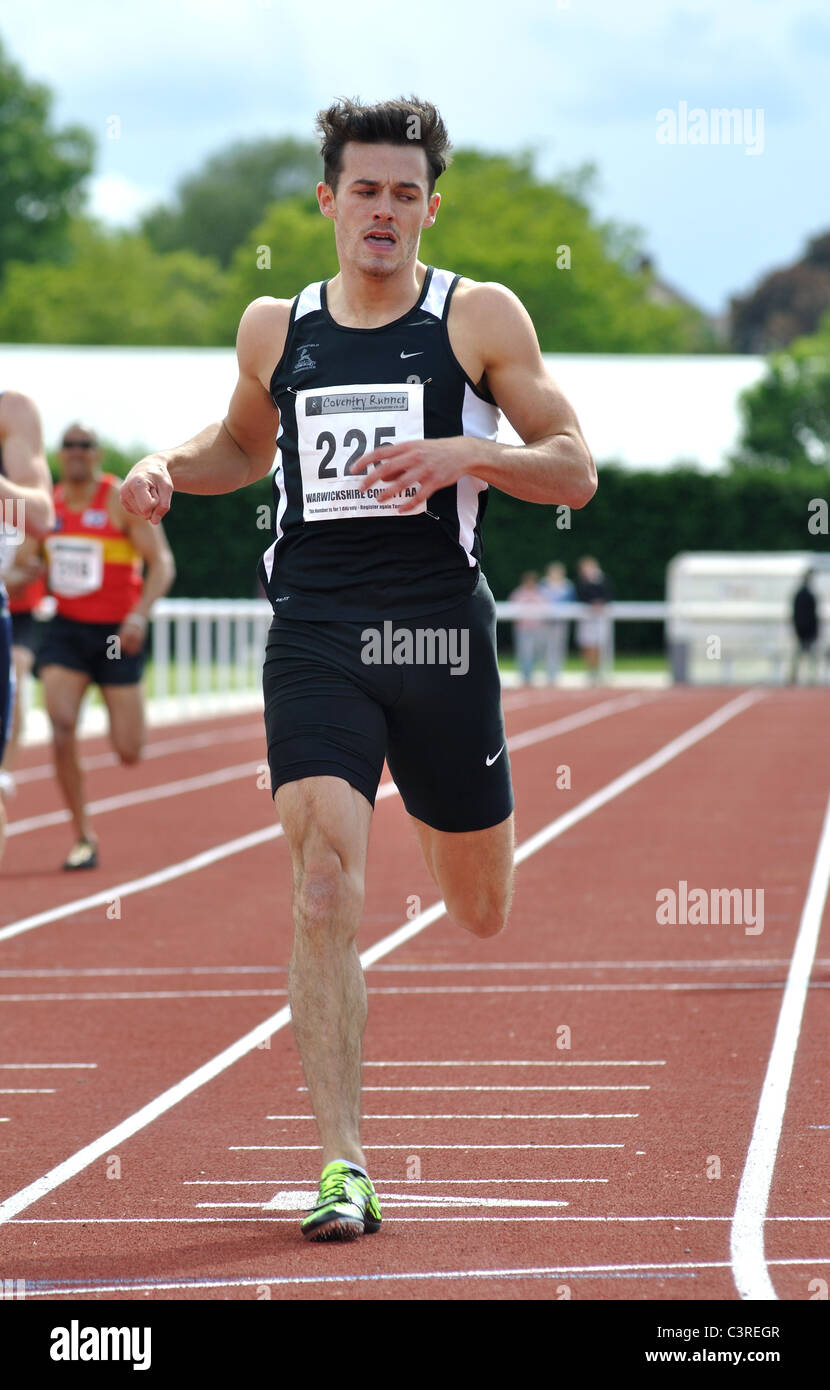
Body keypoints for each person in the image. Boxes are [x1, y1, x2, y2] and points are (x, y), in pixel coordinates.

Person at [120, 96, 596, 1241]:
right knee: (322, 883)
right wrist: (161, 466)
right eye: (363, 190)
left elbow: (573, 469)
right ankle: (345, 1166)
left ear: (431, 206)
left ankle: (443, 803)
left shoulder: (475, 316)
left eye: (404, 193)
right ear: (326, 201)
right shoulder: (274, 327)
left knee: (478, 906)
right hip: (318, 631)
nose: (383, 212)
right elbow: (240, 444)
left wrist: (465, 452)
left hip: (438, 636)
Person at [36, 423, 176, 869]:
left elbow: (162, 564)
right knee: (60, 728)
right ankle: (83, 835)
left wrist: (138, 616)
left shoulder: (119, 501)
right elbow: (29, 565)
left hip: (117, 634)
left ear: (96, 454)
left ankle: (122, 716)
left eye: (85, 445)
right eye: (69, 445)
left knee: (129, 751)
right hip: (66, 631)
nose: (76, 452)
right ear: (61, 454)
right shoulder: (49, 505)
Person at [0, 390, 54, 866]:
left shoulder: (11, 412)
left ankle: (6, 770)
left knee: (17, 676)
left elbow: (42, 518)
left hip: (17, 607)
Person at [0, 533, 48, 800]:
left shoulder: (17, 503)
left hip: (19, 615)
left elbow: (22, 572)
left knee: (13, 679)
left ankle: (4, 770)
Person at [575, 555, 612, 683]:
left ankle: (600, 670)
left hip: (600, 617)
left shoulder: (602, 579)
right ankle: (591, 670)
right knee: (587, 644)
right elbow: (581, 596)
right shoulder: (582, 581)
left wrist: (600, 603)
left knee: (600, 644)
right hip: (587, 616)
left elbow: (608, 595)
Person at [508, 571, 548, 685]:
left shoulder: (540, 594)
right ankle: (525, 675)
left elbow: (544, 610)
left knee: (536, 652)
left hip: (537, 628)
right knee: (524, 652)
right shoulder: (518, 593)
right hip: (523, 628)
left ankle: (532, 673)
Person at [538, 560, 574, 684]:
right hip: (545, 621)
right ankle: (548, 672)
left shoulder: (567, 585)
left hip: (560, 622)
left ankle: (557, 672)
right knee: (546, 647)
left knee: (559, 646)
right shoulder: (543, 584)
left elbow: (570, 602)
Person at [791, 569, 821, 684]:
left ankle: (807, 677)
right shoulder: (806, 595)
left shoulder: (800, 594)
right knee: (803, 653)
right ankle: (809, 678)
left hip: (803, 629)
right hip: (806, 629)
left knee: (805, 654)